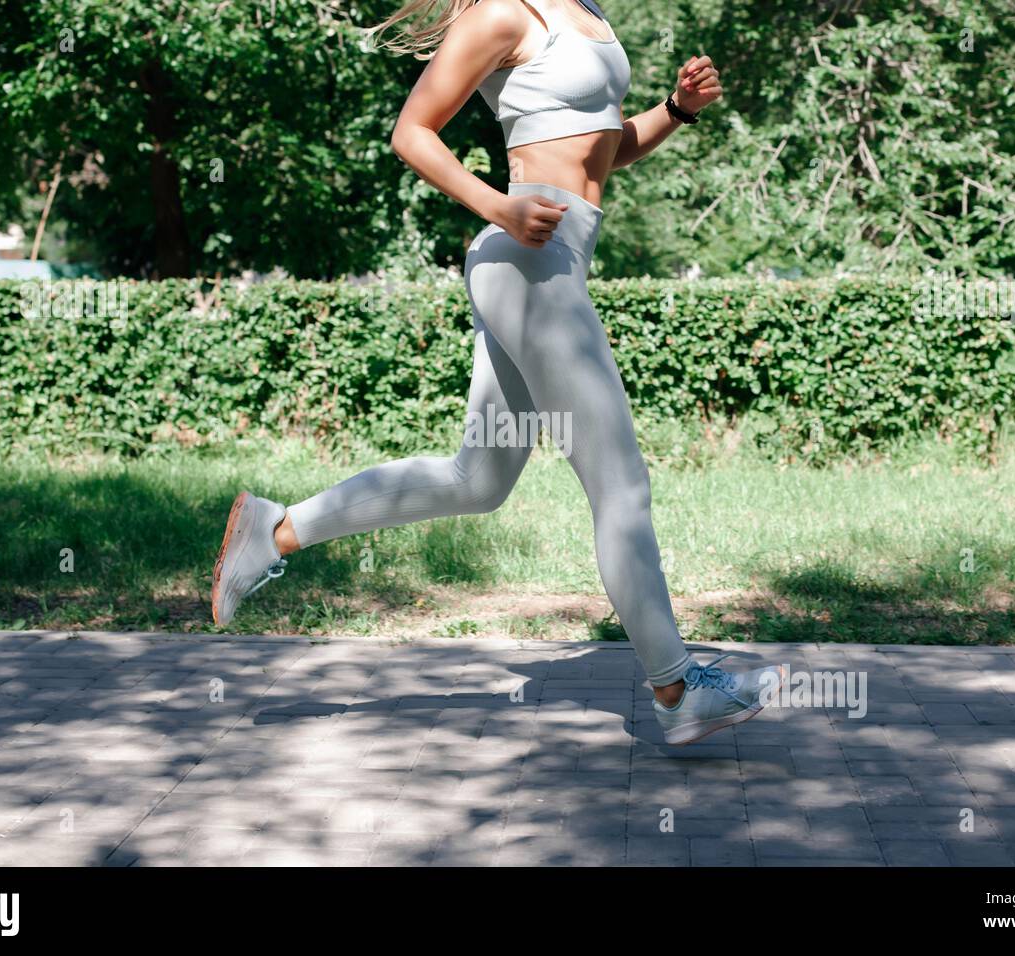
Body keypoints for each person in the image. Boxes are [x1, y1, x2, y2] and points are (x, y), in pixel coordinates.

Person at [211, 0, 785, 745]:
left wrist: (676, 109)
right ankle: (677, 689)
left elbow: (598, 151)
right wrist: (499, 205)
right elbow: (411, 133)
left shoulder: (585, 13)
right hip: (526, 259)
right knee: (620, 485)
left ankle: (276, 530)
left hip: (553, 259)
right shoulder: (501, 16)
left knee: (476, 480)